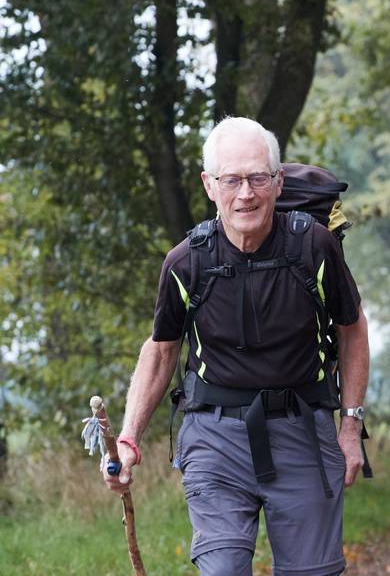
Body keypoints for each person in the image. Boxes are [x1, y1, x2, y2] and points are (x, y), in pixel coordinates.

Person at [103, 117, 370, 576]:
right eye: (232, 180)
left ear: (277, 182)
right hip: (215, 437)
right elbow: (161, 351)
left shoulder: (313, 247)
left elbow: (352, 330)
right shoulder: (187, 262)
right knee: (222, 569)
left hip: (303, 431)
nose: (245, 193)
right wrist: (128, 439)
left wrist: (350, 426)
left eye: (257, 178)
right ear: (211, 185)